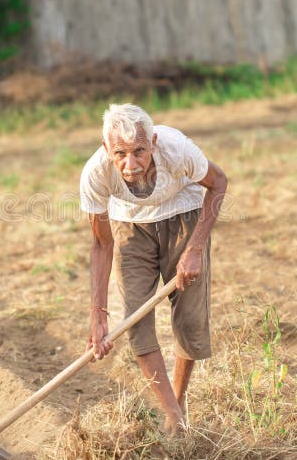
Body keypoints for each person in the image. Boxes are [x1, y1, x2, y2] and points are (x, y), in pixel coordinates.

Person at [79, 103, 228, 433]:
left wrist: (195, 248)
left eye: (139, 151)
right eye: (120, 153)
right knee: (136, 321)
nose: (130, 165)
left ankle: (179, 398)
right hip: (131, 226)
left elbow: (219, 183)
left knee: (189, 320)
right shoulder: (95, 173)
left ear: (154, 143)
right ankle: (174, 416)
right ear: (107, 148)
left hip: (185, 215)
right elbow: (102, 244)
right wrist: (98, 315)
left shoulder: (178, 150)